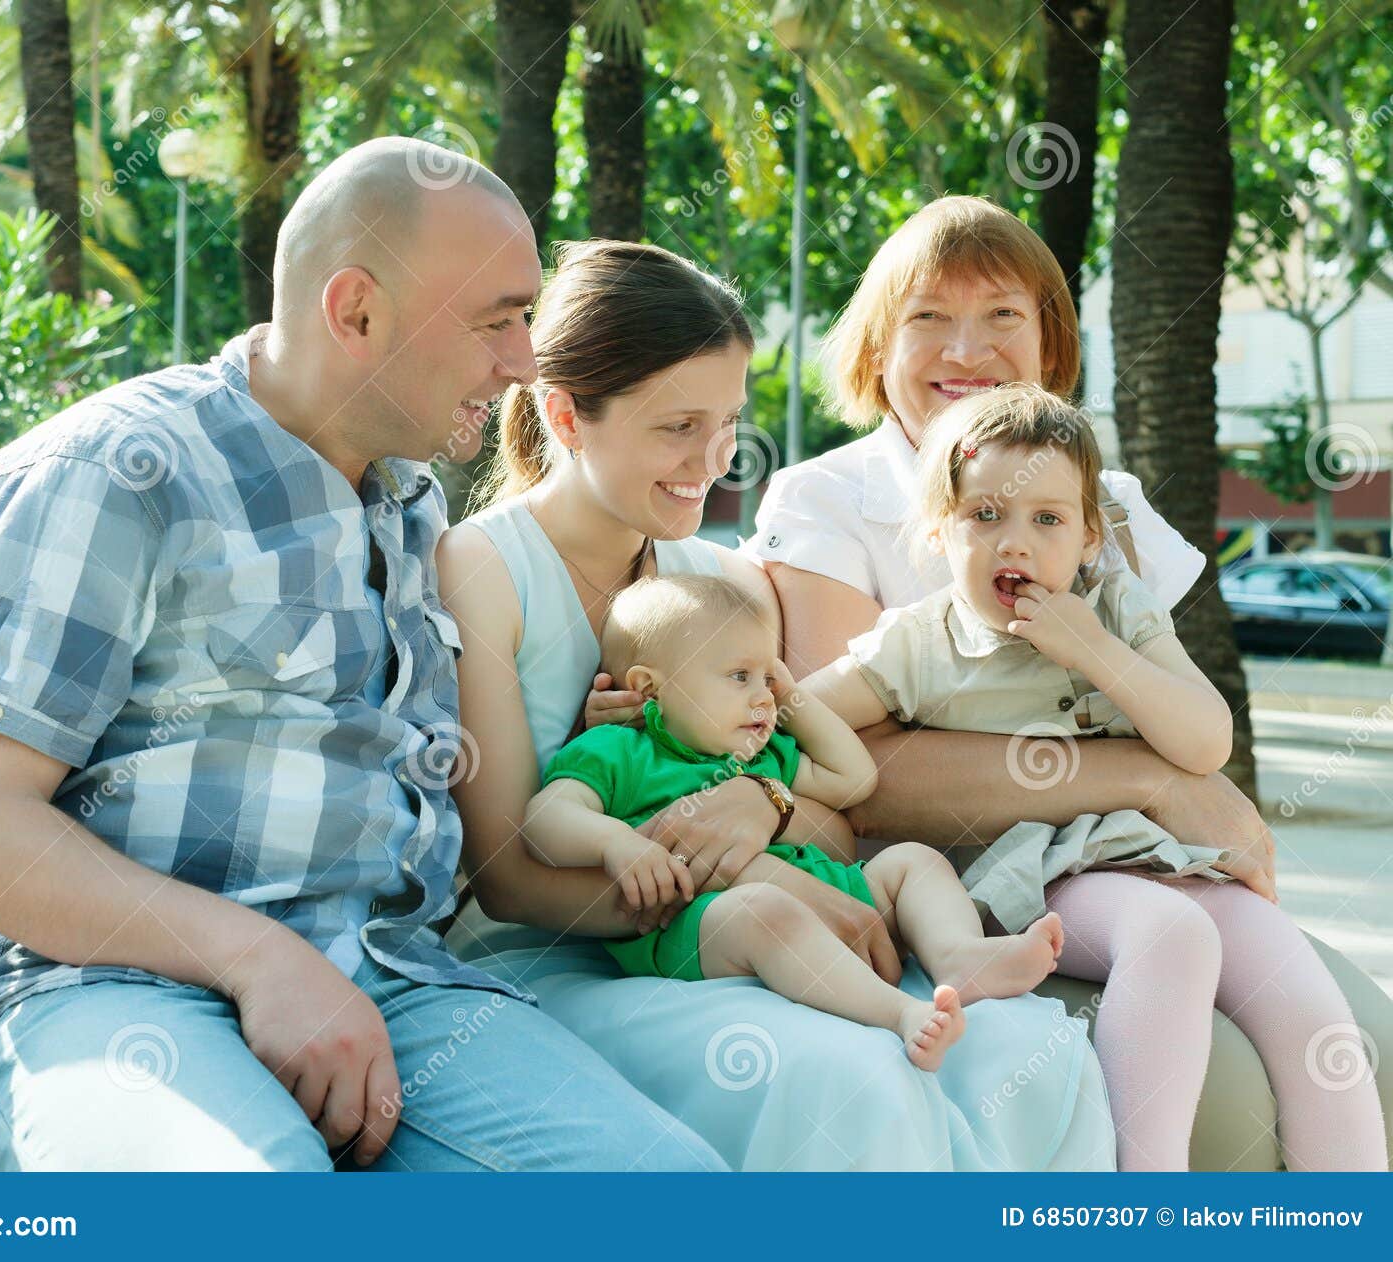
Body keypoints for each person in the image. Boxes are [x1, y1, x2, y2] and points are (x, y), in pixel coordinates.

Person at [0, 139, 725, 1173]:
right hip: (98, 989)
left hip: (390, 984)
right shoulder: (115, 471)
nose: (525, 359)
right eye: (497, 320)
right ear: (356, 313)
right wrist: (259, 961)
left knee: (670, 1195)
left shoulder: (411, 502)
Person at [440, 237, 1115, 1171]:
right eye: (679, 426)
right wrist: (739, 887)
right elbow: (511, 877)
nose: (713, 460)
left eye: (727, 424)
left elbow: (835, 815)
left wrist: (768, 809)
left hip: (769, 930)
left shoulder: (723, 581)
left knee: (1018, 1052)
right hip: (571, 955)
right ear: (566, 415)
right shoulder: (483, 569)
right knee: (851, 1077)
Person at [748, 193, 1393, 1170]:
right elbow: (845, 755)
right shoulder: (841, 516)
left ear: (1049, 344)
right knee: (1199, 1023)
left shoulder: (1105, 514)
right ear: (878, 346)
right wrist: (1154, 780)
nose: (966, 346)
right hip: (963, 880)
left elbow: (1178, 717)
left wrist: (1169, 767)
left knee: (1331, 1030)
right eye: (926, 316)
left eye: (1003, 314)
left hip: (1134, 857)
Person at [526, 572, 1067, 1072]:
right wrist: (616, 845)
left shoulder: (763, 754)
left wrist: (792, 696)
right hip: (704, 923)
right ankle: (899, 1013)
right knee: (762, 912)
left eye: (768, 676)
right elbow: (544, 818)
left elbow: (854, 779)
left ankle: (957, 956)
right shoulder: (618, 749)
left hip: (823, 893)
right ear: (650, 688)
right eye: (740, 675)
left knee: (911, 862)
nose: (762, 694)